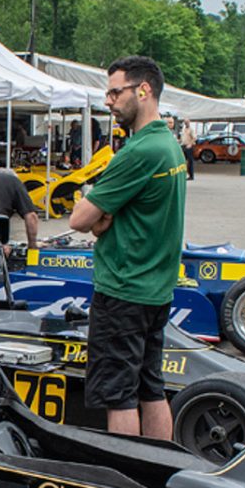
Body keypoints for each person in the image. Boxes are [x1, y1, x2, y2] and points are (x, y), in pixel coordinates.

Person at [67, 55, 188, 439]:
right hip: (155, 288)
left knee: (119, 396)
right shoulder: (168, 144)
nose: (109, 101)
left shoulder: (138, 152)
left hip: (124, 288)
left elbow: (80, 220)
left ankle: (127, 481)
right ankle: (158, 467)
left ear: (144, 90)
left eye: (115, 92)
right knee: (150, 387)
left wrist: (102, 219)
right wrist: (106, 218)